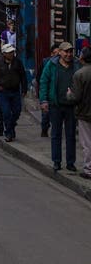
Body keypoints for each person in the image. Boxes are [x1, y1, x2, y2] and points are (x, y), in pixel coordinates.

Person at [39, 41, 77, 172]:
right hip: (55, 104)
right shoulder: (52, 65)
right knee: (56, 134)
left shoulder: (76, 64)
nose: (69, 54)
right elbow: (44, 82)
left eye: (71, 51)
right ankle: (56, 161)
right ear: (60, 52)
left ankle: (70, 162)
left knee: (71, 135)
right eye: (66, 51)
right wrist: (43, 100)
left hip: (71, 106)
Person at [0, 43, 28, 143]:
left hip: (15, 91)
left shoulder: (17, 62)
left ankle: (11, 127)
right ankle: (8, 133)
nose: (11, 54)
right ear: (4, 54)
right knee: (6, 112)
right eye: (9, 53)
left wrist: (24, 89)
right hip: (4, 92)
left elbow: (23, 76)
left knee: (17, 111)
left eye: (12, 52)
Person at [67, 46, 91, 179]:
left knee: (87, 143)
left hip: (85, 112)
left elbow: (76, 97)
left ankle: (88, 169)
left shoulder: (80, 74)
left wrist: (69, 94)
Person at [38, 44, 59, 137]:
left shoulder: (63, 63)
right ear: (51, 54)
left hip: (57, 94)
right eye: (55, 53)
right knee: (46, 114)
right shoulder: (46, 62)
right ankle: (44, 129)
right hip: (47, 93)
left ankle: (55, 131)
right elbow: (40, 78)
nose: (57, 55)